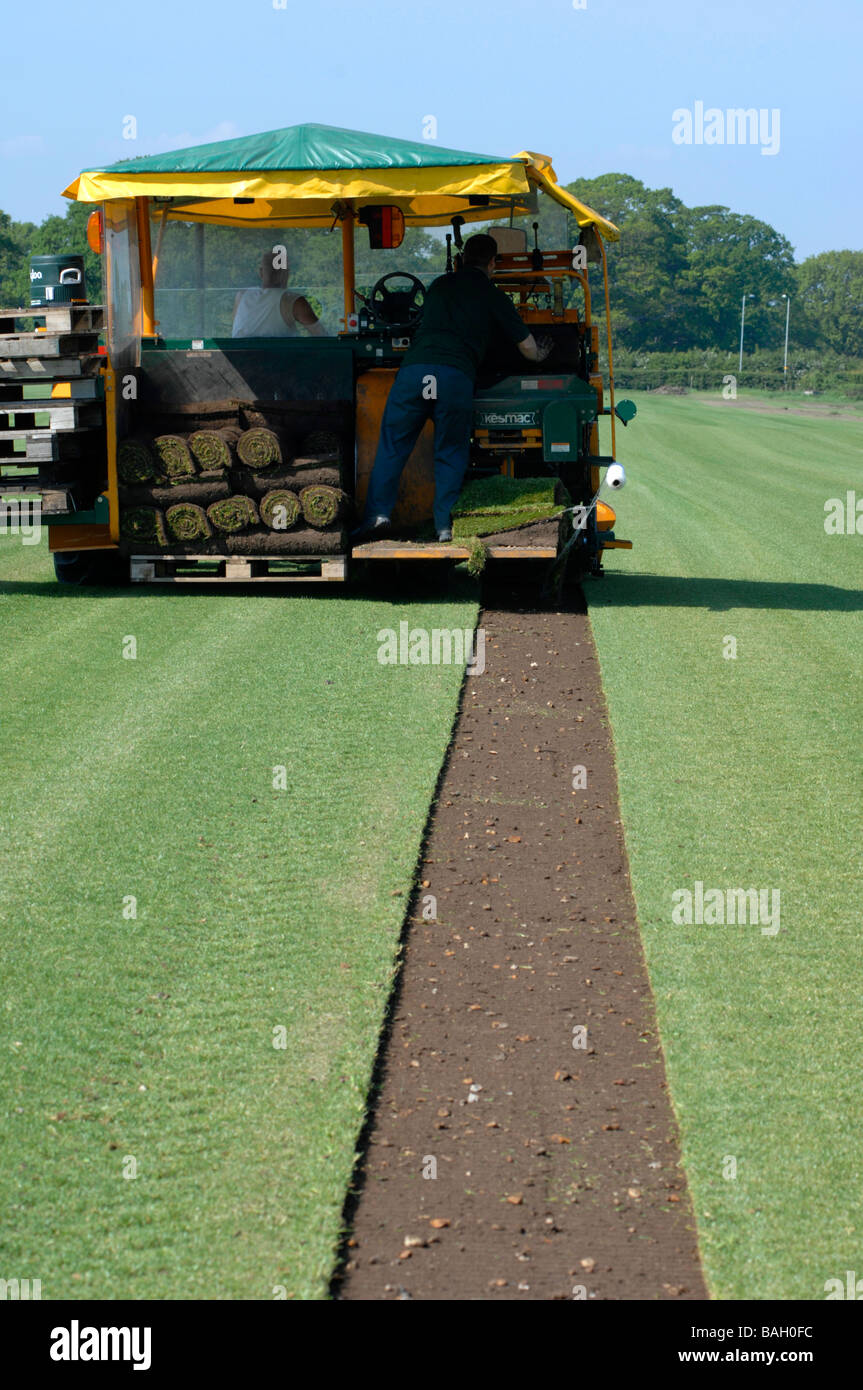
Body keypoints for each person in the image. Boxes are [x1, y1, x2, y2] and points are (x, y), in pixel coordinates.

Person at [352, 232, 552, 543]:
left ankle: (378, 516)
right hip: (454, 375)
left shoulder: (439, 286)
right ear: (493, 263)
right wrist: (541, 355)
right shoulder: (492, 294)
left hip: (415, 371)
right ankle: (444, 527)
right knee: (450, 451)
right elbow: (526, 346)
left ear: (459, 260)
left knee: (393, 445)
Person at [232, 250, 325, 338]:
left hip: (238, 355)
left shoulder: (241, 296)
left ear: (261, 273)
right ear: (286, 273)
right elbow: (323, 336)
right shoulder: (292, 301)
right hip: (281, 355)